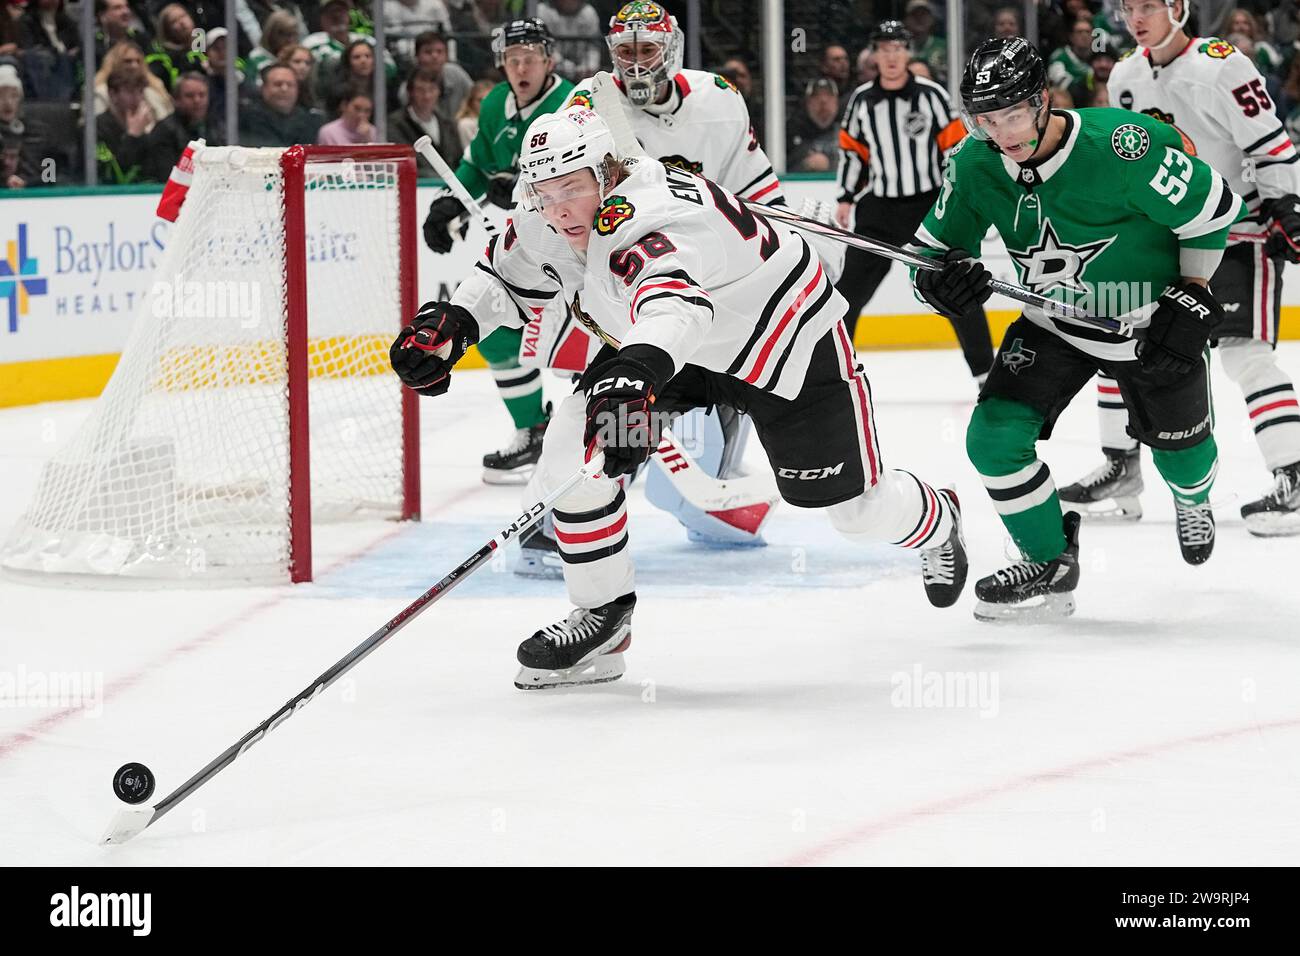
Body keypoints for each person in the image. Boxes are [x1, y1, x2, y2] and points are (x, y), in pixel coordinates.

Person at [390, 107, 971, 690]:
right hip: (676, 351)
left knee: (852, 510)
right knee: (574, 457)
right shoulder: (551, 211)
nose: (558, 206)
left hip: (780, 340)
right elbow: (508, 271)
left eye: (571, 187)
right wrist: (455, 322)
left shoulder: (650, 214)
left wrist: (631, 381)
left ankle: (937, 516)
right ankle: (604, 618)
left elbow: (676, 306)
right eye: (544, 190)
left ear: (608, 173)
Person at [912, 36, 1240, 621]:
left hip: (1147, 321)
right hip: (1052, 321)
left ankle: (1194, 499)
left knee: (1183, 458)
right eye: (986, 118)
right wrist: (938, 283)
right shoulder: (976, 162)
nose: (1002, 132)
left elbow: (1211, 210)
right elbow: (931, 251)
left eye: (1012, 113)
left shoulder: (1121, 147)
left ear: (1042, 101)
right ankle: (1049, 564)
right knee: (992, 440)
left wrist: (1192, 294)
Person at [554, 1, 790, 556]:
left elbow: (758, 195)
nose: (635, 65)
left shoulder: (719, 99)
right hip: (630, 296)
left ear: (672, 51)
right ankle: (580, 512)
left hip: (714, 297)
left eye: (647, 51)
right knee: (617, 415)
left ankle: (722, 493)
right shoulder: (589, 107)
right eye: (625, 53)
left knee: (703, 509)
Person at [1059, 0, 1300, 535]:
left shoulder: (1222, 63)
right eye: (1127, 8)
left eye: (1147, 5)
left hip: (1236, 233)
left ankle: (1295, 474)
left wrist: (1287, 206)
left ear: (1177, 8)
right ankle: (1122, 468)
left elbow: (1271, 141)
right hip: (1166, 239)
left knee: (1246, 356)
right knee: (1118, 343)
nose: (1135, 17)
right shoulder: (1124, 74)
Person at [421, 18, 574, 485]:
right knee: (502, 339)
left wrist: (528, 186)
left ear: (549, 60)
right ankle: (533, 432)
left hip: (575, 247)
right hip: (524, 250)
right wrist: (449, 204)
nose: (521, 67)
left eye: (530, 58)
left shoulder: (573, 103)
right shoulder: (493, 104)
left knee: (585, 346)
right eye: (513, 59)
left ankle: (606, 434)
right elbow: (476, 165)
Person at [835, 21, 992, 382]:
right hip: (879, 209)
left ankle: (985, 374)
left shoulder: (931, 95)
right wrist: (845, 197)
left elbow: (956, 150)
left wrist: (960, 196)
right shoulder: (861, 100)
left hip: (927, 205)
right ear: (874, 54)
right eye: (884, 48)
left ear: (908, 52)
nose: (891, 56)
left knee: (955, 283)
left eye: (897, 48)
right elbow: (852, 154)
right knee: (847, 295)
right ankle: (837, 371)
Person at [143, 70, 219, 181]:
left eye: (202, 95)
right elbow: (167, 176)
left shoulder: (215, 126)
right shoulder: (165, 130)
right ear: (176, 100)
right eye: (189, 96)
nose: (197, 100)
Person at [389, 67, 460, 172]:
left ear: (439, 91)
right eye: (420, 90)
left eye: (432, 89)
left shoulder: (448, 125)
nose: (427, 96)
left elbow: (458, 159)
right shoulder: (396, 124)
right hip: (418, 185)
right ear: (410, 92)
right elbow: (404, 163)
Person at [239, 62, 323, 146]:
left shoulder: (311, 121)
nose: (284, 89)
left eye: (290, 85)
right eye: (278, 84)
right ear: (264, 88)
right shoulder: (247, 118)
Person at [97, 66, 153, 184]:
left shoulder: (144, 127)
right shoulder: (96, 129)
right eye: (130, 92)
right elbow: (110, 175)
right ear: (112, 94)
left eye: (141, 91)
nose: (138, 98)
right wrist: (132, 136)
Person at [410, 30, 471, 121]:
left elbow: (476, 98)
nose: (435, 56)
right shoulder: (410, 89)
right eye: (428, 52)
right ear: (417, 56)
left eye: (439, 51)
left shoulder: (456, 73)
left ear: (446, 55)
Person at [538, 0, 602, 80]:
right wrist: (568, 67)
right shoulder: (543, 11)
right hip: (553, 72)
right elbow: (546, 47)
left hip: (582, 72)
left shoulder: (588, 12)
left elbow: (593, 46)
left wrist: (590, 67)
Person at [788, 77, 840, 171]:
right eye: (816, 96)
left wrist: (831, 164)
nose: (823, 101)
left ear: (836, 102)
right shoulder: (791, 132)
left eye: (828, 95)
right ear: (807, 103)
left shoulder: (849, 131)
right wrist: (805, 165)